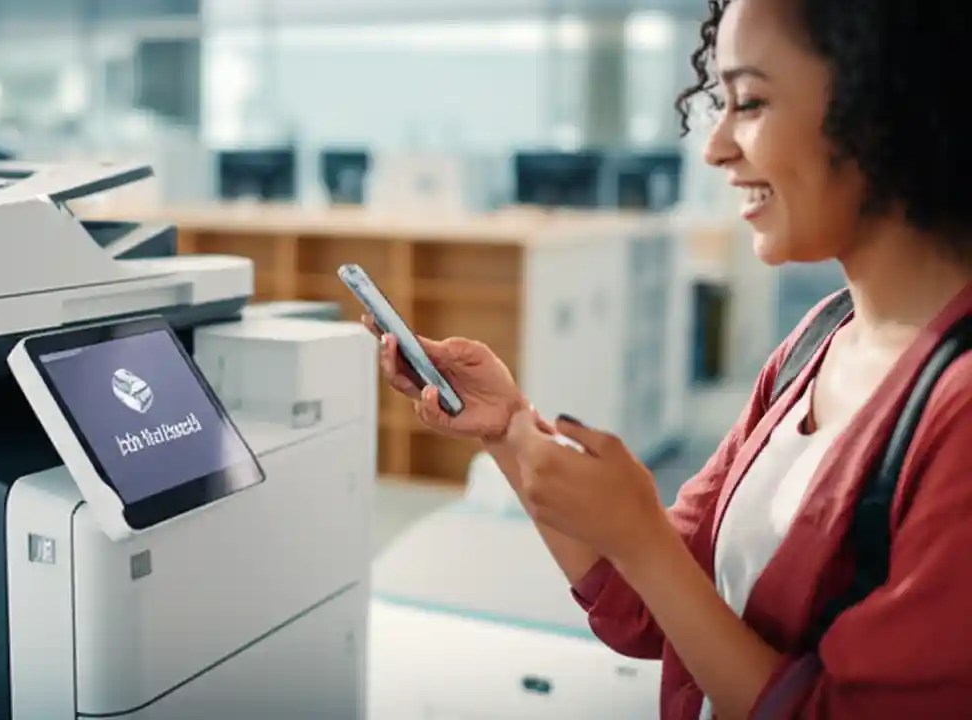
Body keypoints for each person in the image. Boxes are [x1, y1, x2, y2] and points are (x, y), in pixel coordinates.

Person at [364, 0, 972, 717]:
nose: (714, 148)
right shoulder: (818, 340)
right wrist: (508, 429)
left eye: (750, 102)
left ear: (884, 105)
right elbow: (646, 606)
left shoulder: (958, 410)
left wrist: (643, 543)